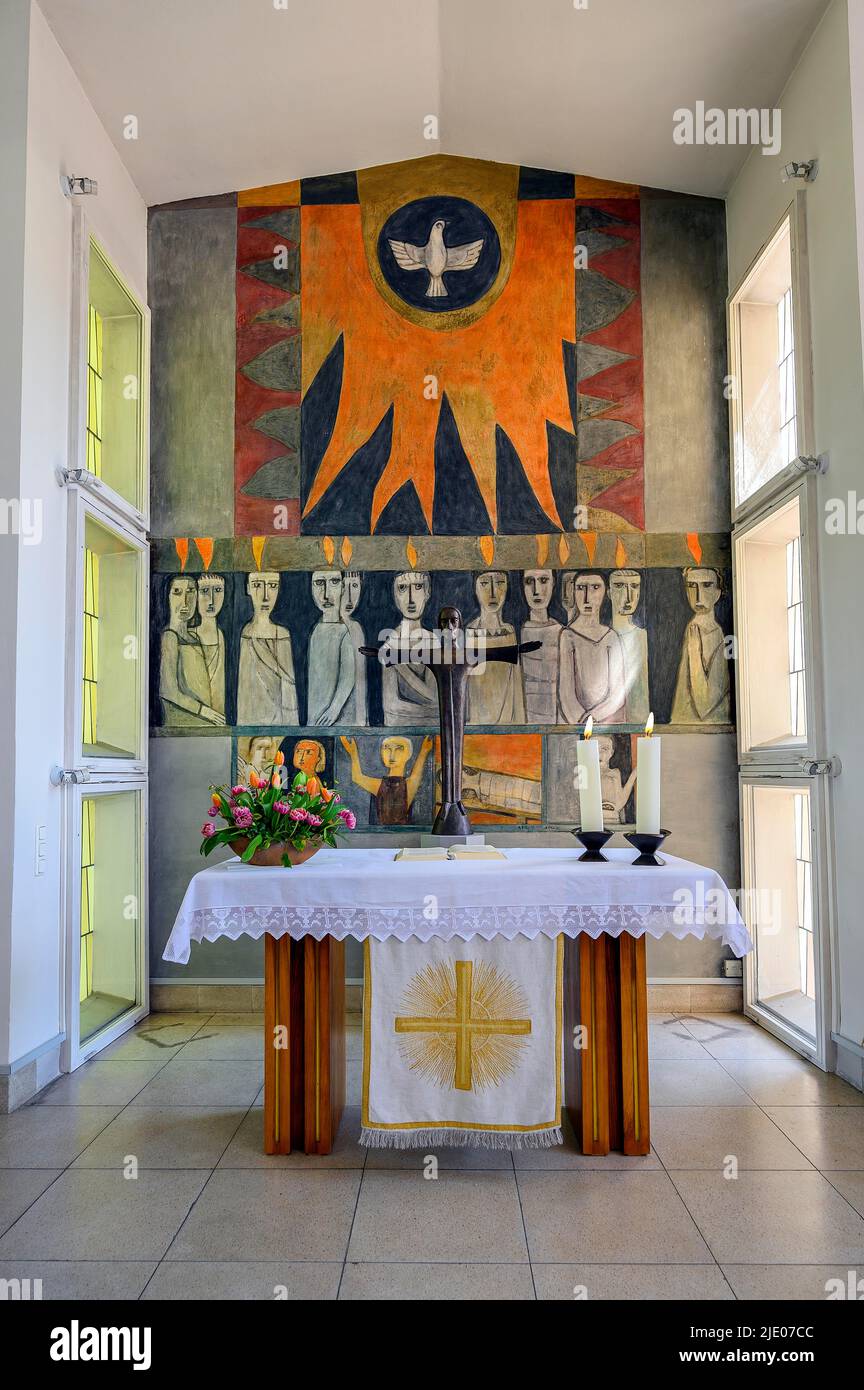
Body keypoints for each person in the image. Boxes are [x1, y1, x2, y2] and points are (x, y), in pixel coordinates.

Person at [558, 572, 627, 725]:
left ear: (606, 592)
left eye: (595, 587)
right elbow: (566, 694)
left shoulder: (611, 637)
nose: (587, 597)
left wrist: (593, 717)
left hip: (607, 721)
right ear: (573, 591)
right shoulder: (568, 636)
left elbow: (618, 693)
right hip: (577, 724)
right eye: (581, 588)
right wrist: (581, 721)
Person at [159, 575, 225, 728]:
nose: (184, 601)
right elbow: (168, 691)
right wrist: (204, 711)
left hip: (206, 725)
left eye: (190, 592)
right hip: (181, 726)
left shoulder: (195, 637)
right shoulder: (170, 637)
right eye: (177, 592)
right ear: (167, 596)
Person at [237, 571, 298, 724]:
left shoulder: (282, 634)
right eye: (257, 585)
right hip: (250, 722)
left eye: (272, 586)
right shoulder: (245, 633)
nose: (266, 596)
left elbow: (289, 688)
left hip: (279, 723)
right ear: (248, 588)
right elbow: (244, 696)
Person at [671, 567, 730, 723]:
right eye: (692, 586)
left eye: (707, 585)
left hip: (706, 727)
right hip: (684, 727)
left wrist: (694, 650)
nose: (698, 596)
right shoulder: (692, 627)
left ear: (718, 593)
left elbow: (704, 704)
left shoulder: (715, 634)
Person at [467, 571, 526, 724]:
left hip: (509, 726)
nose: (493, 593)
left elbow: (517, 690)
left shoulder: (510, 632)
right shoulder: (469, 634)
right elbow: (466, 692)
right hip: (476, 725)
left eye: (499, 583)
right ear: (475, 588)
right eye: (485, 584)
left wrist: (521, 728)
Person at [381, 571, 439, 725]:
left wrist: (399, 665)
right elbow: (391, 708)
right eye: (402, 588)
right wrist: (432, 712)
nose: (411, 598)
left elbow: (435, 699)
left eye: (418, 587)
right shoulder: (390, 643)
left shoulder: (434, 641)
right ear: (395, 596)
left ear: (427, 593)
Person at [340, 733, 433, 825]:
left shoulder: (407, 785)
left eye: (399, 749)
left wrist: (424, 751)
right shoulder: (382, 785)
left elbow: (357, 777)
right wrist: (353, 752)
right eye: (386, 748)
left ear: (409, 754)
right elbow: (357, 777)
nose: (392, 755)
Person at [306, 570, 355, 725]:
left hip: (335, 718)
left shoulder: (343, 631)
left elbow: (349, 676)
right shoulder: (315, 630)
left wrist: (334, 708)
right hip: (315, 718)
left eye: (334, 582)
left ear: (342, 587)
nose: (326, 594)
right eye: (319, 583)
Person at [520, 568, 561, 723]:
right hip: (526, 722)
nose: (536, 591)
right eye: (529, 581)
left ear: (553, 583)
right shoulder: (517, 633)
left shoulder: (562, 632)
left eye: (544, 581)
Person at [609, 568, 649, 724]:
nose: (628, 597)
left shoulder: (642, 636)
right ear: (608, 592)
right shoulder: (602, 637)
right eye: (619, 586)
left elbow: (641, 701)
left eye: (634, 586)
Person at [340, 570, 367, 725]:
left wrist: (362, 723)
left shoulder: (356, 628)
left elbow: (360, 686)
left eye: (355, 586)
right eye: (344, 586)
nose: (349, 597)